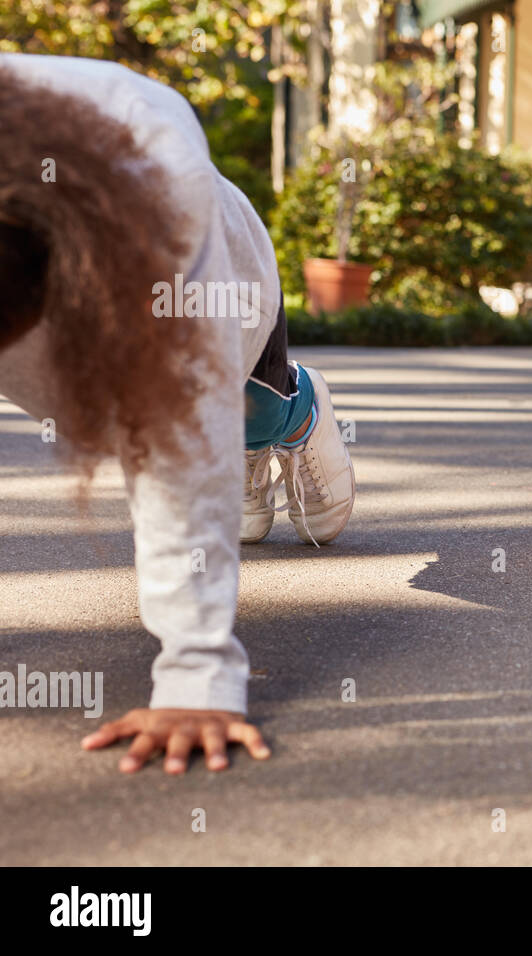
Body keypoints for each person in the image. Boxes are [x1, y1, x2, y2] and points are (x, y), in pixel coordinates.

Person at [0, 54, 356, 774]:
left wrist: (198, 675)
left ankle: (293, 411)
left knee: (252, 440)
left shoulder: (152, 170)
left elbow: (180, 432)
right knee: (239, 511)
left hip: (229, 303)